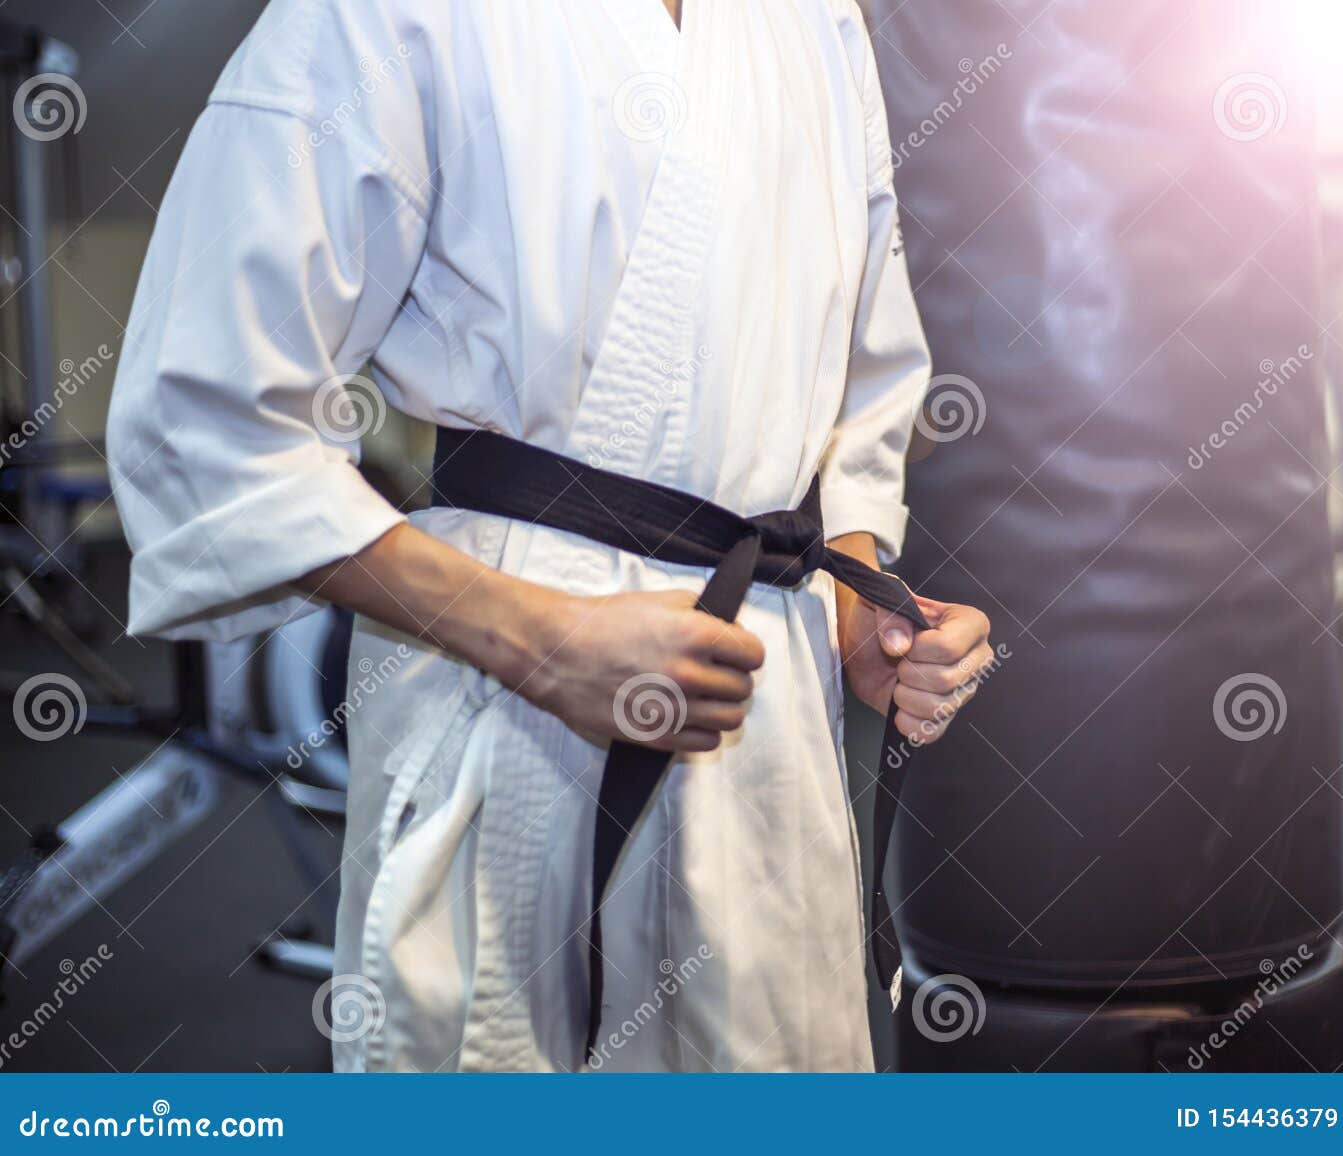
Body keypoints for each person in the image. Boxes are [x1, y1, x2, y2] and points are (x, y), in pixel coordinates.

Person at [106, 0, 993, 1072]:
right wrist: (541, 641)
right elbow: (208, 412)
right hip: (510, 698)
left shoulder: (811, 18)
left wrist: (859, 606)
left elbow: (864, 372)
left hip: (768, 705)